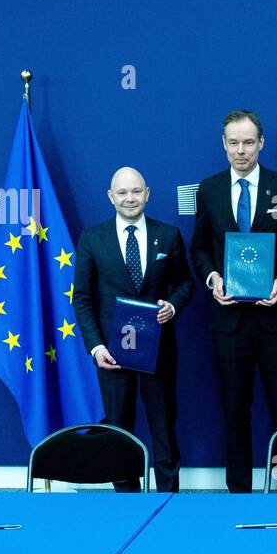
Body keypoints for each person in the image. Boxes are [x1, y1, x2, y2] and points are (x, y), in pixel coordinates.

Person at [190, 110, 277, 493]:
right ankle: (238, 489)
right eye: (233, 142)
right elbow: (199, 248)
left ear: (261, 143)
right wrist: (212, 278)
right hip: (228, 320)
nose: (240, 150)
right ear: (223, 144)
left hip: (275, 317)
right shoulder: (208, 190)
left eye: (248, 142)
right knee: (234, 409)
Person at [73, 166, 194, 492]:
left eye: (136, 191)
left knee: (163, 426)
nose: (130, 198)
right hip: (112, 353)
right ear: (111, 197)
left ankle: (168, 497)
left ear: (148, 193)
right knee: (118, 428)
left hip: (158, 349)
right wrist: (97, 347)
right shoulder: (92, 238)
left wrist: (173, 304)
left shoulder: (168, 235)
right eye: (123, 192)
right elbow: (82, 299)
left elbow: (184, 283)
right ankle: (127, 499)